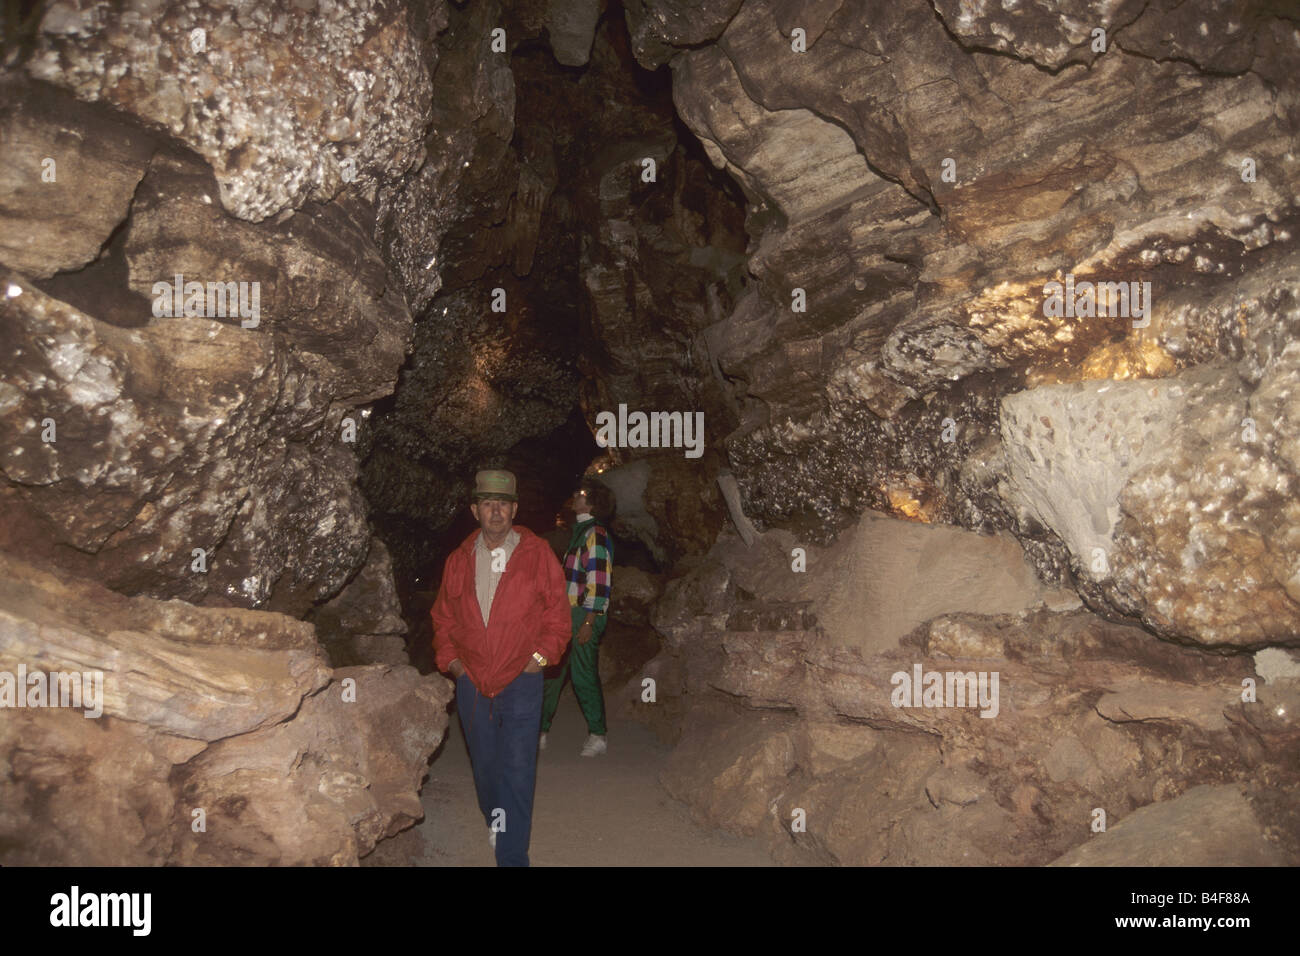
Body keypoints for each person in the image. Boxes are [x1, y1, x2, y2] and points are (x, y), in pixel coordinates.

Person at [430, 469, 571, 866]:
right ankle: (497, 818)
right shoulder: (458, 561)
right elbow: (442, 618)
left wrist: (539, 660)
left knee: (519, 770)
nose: (496, 511)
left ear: (514, 509)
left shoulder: (537, 554)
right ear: (475, 510)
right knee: (487, 770)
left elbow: (559, 616)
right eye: (488, 503)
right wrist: (453, 664)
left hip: (521, 682)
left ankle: (512, 855)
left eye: (504, 504)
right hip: (473, 681)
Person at [539, 481, 614, 757]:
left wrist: (588, 621)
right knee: (552, 671)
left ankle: (598, 735)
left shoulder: (595, 533)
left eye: (581, 495)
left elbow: (599, 579)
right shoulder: (580, 532)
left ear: (592, 504)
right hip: (569, 612)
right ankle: (540, 730)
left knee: (582, 676)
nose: (574, 496)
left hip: (585, 613)